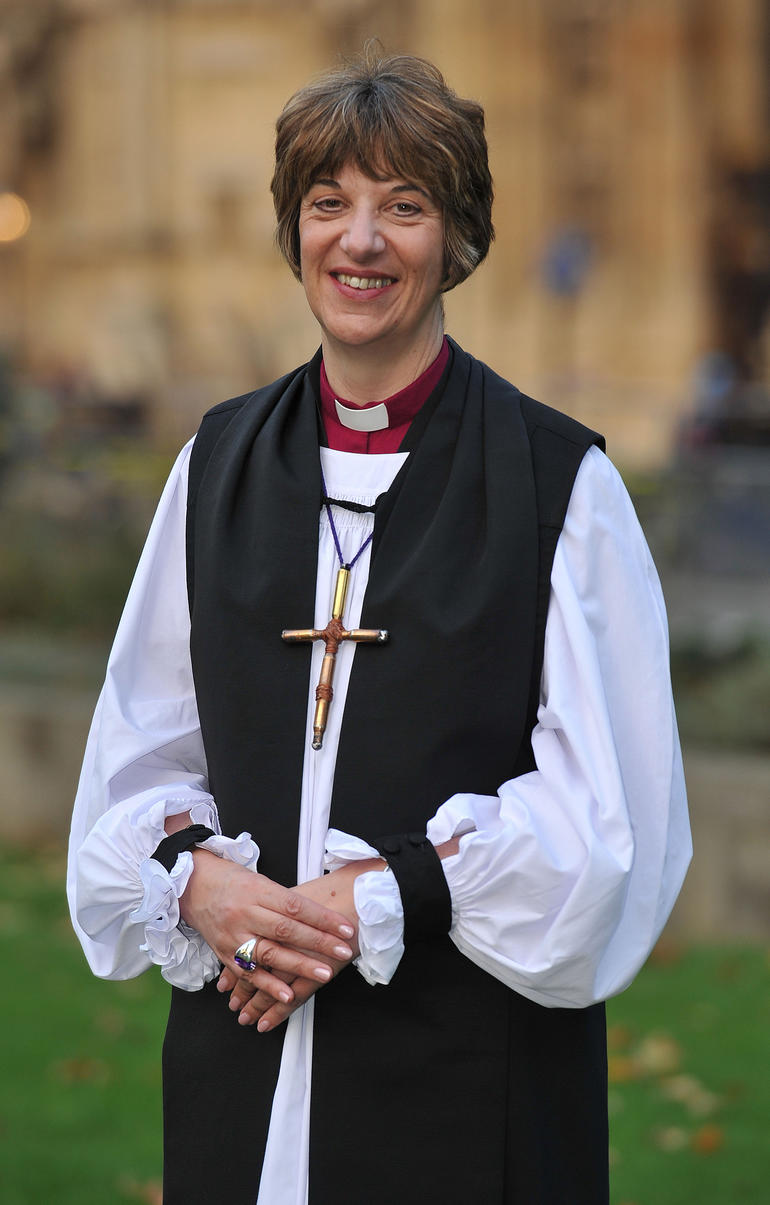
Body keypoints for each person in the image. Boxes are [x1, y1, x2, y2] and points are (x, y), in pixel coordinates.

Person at [68, 48, 691, 1205]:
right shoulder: (216, 466)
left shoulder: (560, 484)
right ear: (293, 232)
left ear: (455, 239)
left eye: (402, 207)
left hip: (466, 1086)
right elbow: (136, 757)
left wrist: (378, 899)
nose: (360, 241)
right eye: (328, 205)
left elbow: (610, 821)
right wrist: (197, 881)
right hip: (238, 1068)